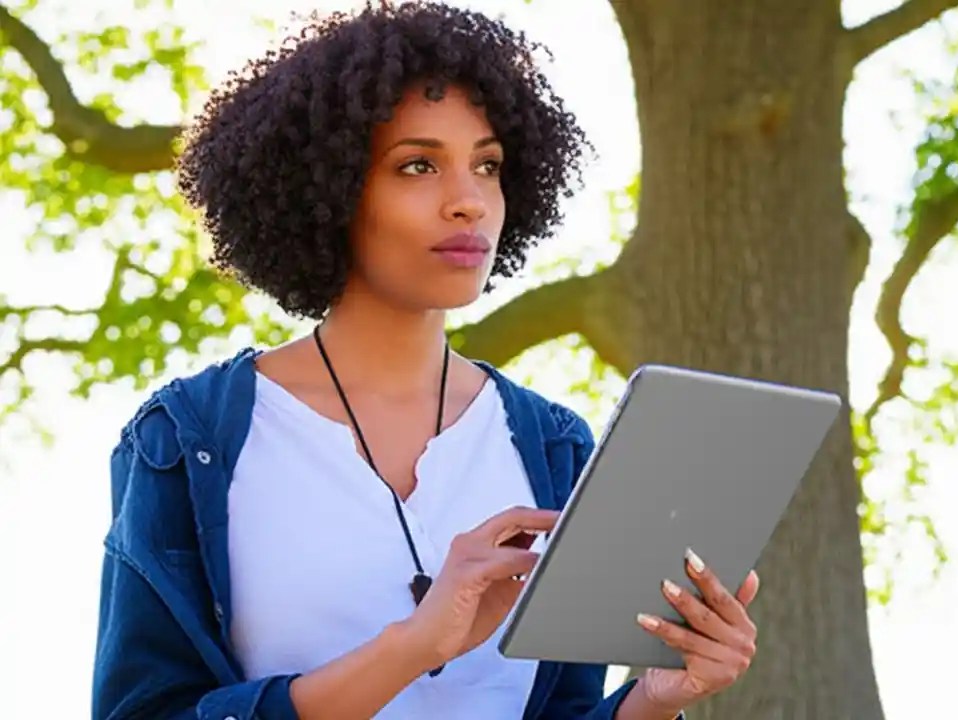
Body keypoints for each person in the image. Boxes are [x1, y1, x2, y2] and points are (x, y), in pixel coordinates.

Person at [91, 2, 762, 719]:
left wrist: (656, 700)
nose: (469, 202)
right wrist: (414, 644)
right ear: (329, 189)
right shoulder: (186, 438)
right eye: (417, 165)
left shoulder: (553, 444)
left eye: (488, 165)